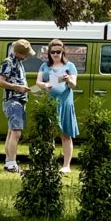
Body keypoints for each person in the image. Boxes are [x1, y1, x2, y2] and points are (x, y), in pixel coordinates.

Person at [35, 38, 79, 173]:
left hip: (65, 103)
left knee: (65, 134)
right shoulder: (44, 66)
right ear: (49, 53)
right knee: (48, 134)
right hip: (49, 103)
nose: (55, 54)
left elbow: (73, 85)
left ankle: (66, 165)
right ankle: (47, 163)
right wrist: (45, 85)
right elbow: (38, 82)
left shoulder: (70, 66)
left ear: (62, 52)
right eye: (53, 52)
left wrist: (68, 79)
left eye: (58, 52)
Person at [0, 38, 34, 174]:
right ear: (19, 53)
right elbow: (0, 82)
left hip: (19, 100)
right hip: (13, 101)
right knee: (16, 133)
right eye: (26, 54)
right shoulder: (8, 62)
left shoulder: (19, 63)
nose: (27, 56)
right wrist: (17, 87)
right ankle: (12, 164)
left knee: (11, 132)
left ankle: (9, 163)